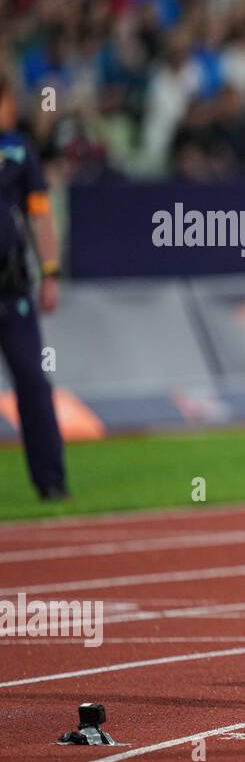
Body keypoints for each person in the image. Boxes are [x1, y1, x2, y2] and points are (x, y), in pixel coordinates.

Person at [0, 74, 67, 501]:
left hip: (10, 289)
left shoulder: (17, 150)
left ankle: (51, 481)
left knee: (32, 380)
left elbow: (40, 214)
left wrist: (50, 271)